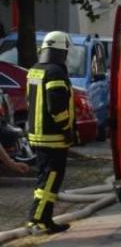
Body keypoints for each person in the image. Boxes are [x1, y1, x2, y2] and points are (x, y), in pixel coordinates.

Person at [25, 31, 75, 234]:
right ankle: (37, 220)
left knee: (44, 179)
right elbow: (57, 108)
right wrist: (66, 128)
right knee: (50, 180)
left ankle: (46, 219)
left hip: (38, 135)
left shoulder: (35, 70)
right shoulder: (55, 73)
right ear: (61, 52)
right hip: (53, 137)